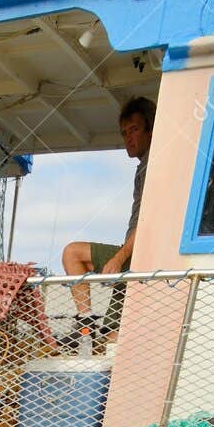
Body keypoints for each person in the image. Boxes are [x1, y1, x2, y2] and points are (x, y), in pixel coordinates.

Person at [61, 97, 155, 349]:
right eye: (124, 133)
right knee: (73, 253)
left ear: (151, 130)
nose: (128, 138)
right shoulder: (143, 167)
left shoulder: (155, 165)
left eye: (134, 129)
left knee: (113, 343)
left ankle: (95, 337)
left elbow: (148, 222)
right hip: (131, 255)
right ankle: (86, 325)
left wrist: (118, 258)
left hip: (145, 260)